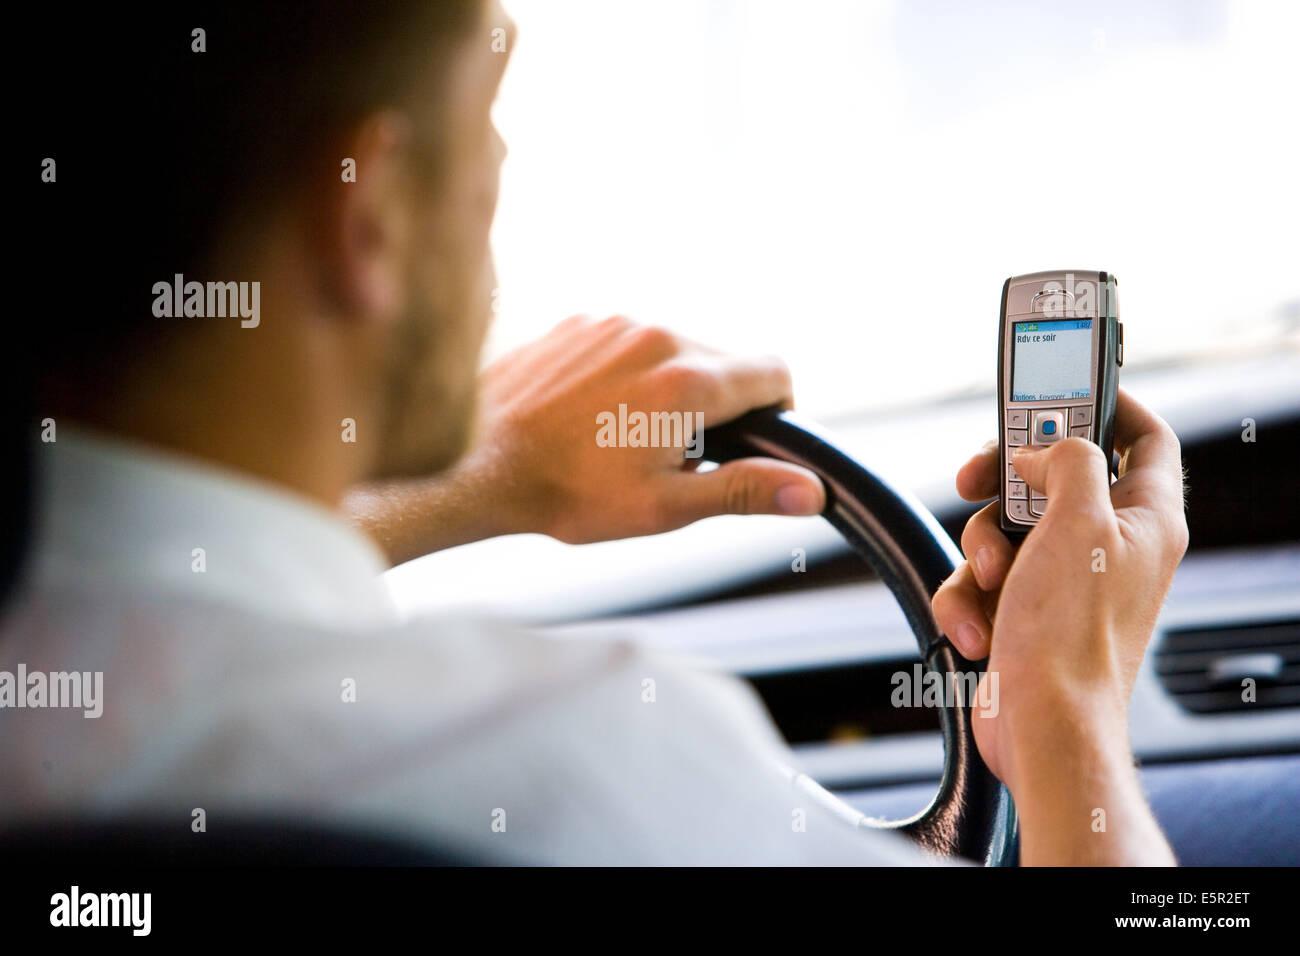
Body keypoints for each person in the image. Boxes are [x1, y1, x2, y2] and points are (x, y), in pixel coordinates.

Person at [5, 1, 1187, 864]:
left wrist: (462, 478)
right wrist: (1068, 707)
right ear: (362, 219)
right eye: (484, 114)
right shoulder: (593, 765)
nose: (505, 163)